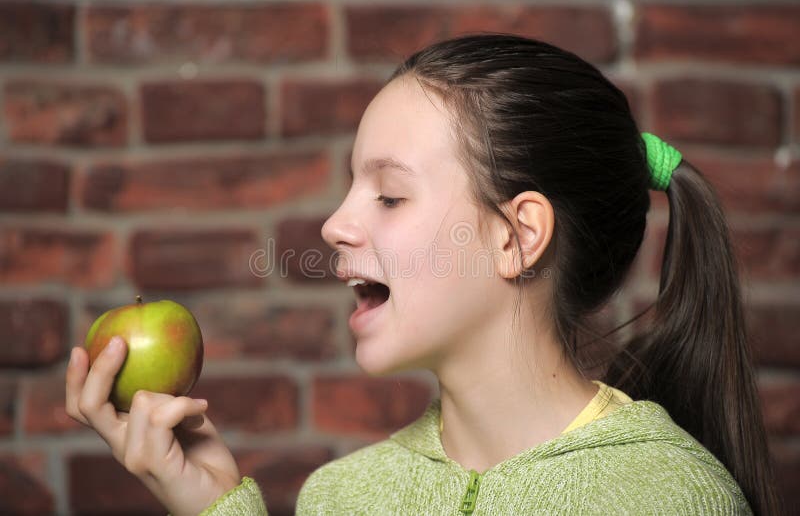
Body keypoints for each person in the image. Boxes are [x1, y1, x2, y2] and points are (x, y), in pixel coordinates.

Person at [65, 33, 780, 515]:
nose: (334, 225)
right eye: (351, 188)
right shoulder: (339, 499)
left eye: (388, 195)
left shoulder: (671, 498)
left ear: (517, 236)